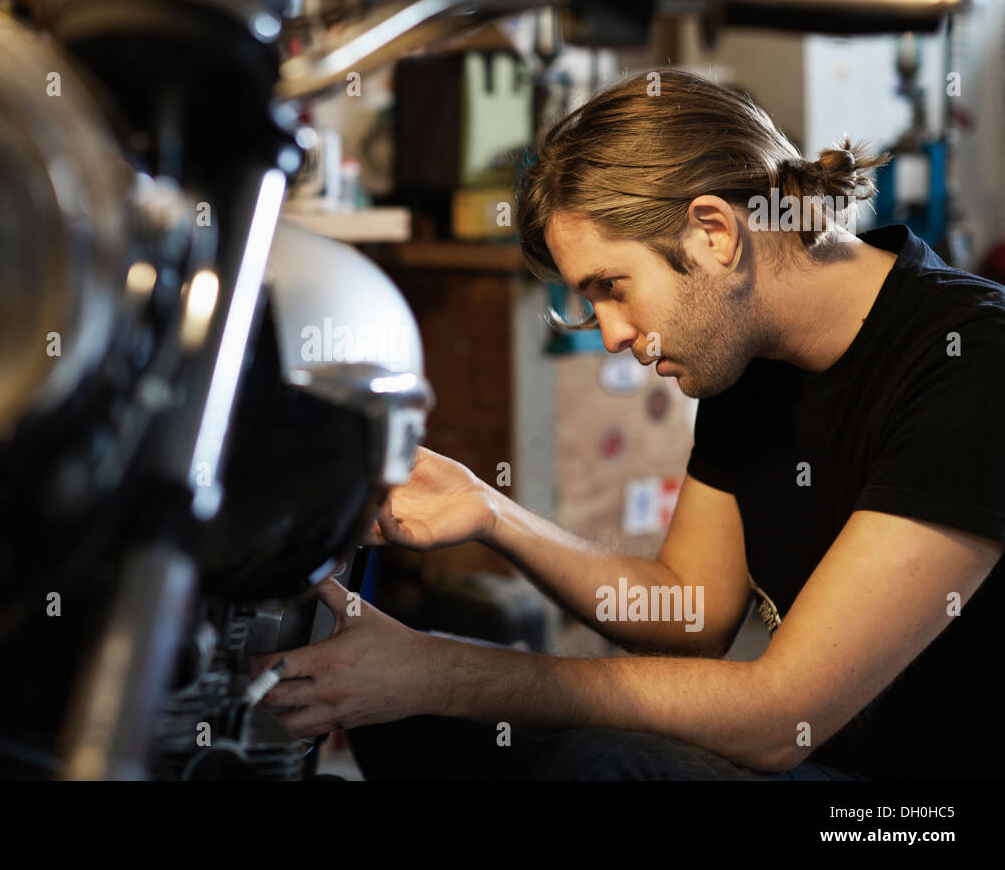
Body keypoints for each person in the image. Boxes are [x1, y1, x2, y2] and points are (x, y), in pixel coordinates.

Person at [251, 70, 1005, 780]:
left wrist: (441, 670)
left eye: (611, 288)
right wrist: (491, 512)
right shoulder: (749, 358)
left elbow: (783, 717)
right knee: (412, 719)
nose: (610, 334)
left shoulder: (971, 359)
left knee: (597, 766)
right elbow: (687, 611)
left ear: (714, 232)